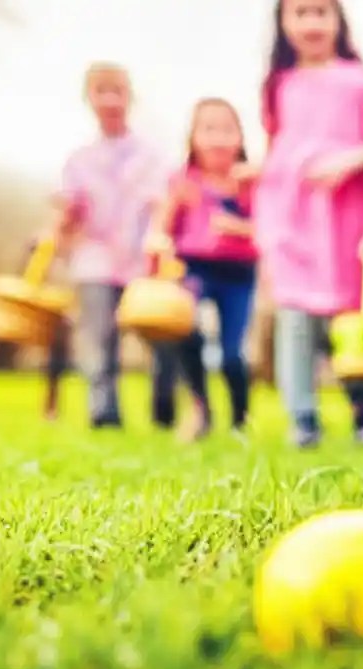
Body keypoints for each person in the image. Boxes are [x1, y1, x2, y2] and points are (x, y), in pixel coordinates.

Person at [255, 0, 363, 448]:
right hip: (291, 216)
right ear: (284, 22)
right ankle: (303, 418)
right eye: (300, 13)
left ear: (337, 20)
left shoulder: (358, 80)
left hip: (345, 219)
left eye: (320, 12)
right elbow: (278, 147)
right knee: (294, 316)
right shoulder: (280, 83)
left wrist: (350, 161)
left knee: (345, 321)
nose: (311, 23)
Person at [51, 62, 177, 430]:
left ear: (130, 96)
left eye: (116, 90)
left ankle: (164, 411)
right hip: (95, 261)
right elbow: (70, 216)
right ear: (88, 98)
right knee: (100, 338)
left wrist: (159, 242)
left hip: (144, 259)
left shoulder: (151, 155)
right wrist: (61, 221)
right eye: (100, 91)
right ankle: (105, 414)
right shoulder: (78, 160)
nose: (109, 99)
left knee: (160, 334)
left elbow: (164, 203)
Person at [145, 98, 257, 441]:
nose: (218, 139)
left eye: (227, 130)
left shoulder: (251, 183)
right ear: (192, 137)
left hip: (239, 273)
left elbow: (274, 231)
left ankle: (240, 419)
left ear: (240, 137)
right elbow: (161, 226)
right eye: (208, 130)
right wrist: (158, 241)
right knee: (187, 330)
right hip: (193, 267)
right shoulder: (183, 182)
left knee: (233, 354)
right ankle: (200, 408)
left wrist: (239, 228)